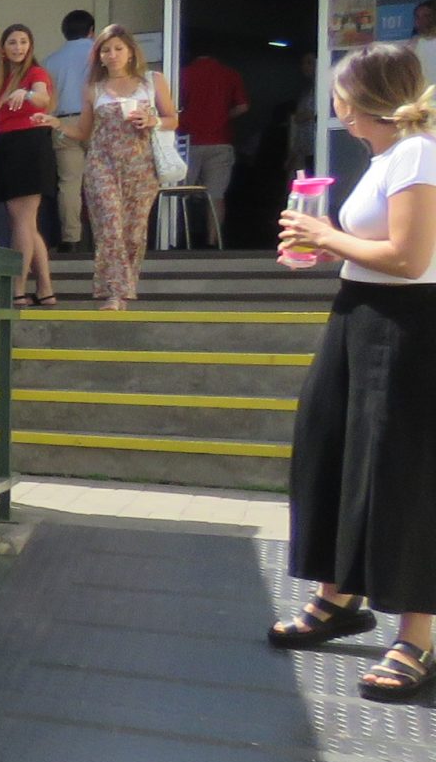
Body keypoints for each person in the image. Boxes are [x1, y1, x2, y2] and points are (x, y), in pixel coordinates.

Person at [269, 42, 436, 701]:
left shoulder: (419, 151)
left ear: (355, 98)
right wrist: (329, 250)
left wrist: (326, 240)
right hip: (361, 316)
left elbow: (407, 255)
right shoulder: (388, 158)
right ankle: (339, 595)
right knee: (332, 450)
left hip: (408, 324)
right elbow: (375, 252)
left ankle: (415, 637)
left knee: (402, 472)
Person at [69, 23, 175, 310]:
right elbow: (83, 132)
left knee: (133, 231)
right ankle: (115, 293)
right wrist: (55, 124)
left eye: (118, 49)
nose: (112, 55)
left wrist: (153, 120)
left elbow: (173, 119)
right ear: (99, 56)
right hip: (102, 163)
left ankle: (123, 288)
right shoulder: (93, 89)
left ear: (130, 52)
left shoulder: (152, 81)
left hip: (141, 164)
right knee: (109, 226)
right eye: (106, 50)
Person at [0, 22, 59, 305]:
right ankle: (45, 289)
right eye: (12, 42)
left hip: (30, 145)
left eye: (23, 41)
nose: (18, 47)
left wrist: (29, 94)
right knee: (25, 223)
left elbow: (43, 97)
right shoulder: (3, 80)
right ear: (3, 48)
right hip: (7, 145)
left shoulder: (35, 73)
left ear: (30, 46)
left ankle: (17, 288)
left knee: (22, 220)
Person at [179, 49, 250, 247]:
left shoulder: (183, 73)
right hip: (220, 141)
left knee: (181, 193)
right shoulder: (229, 73)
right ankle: (214, 241)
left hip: (189, 141)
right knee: (216, 195)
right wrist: (222, 118)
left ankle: (179, 239)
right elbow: (243, 106)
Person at [42, 8, 98, 249]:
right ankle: (103, 236)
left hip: (62, 123)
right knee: (100, 182)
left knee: (69, 183)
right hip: (96, 121)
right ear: (91, 31)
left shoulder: (49, 61)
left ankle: (71, 239)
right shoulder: (99, 55)